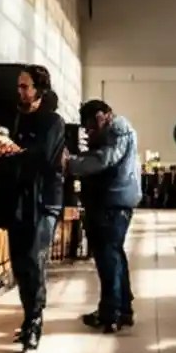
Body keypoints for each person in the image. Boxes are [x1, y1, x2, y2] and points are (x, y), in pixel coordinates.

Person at [2, 65, 66, 353]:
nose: (20, 91)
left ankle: (35, 323)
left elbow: (42, 156)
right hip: (18, 201)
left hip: (44, 201)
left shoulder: (53, 122)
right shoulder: (16, 120)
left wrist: (12, 153)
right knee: (19, 262)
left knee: (33, 260)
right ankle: (29, 318)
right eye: (19, 86)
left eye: (25, 86)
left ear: (39, 90)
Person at [64, 100, 142, 333]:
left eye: (90, 125)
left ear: (102, 115)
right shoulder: (116, 130)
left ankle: (111, 313)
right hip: (113, 201)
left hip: (111, 202)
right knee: (115, 256)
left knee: (108, 258)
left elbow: (104, 159)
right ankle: (122, 309)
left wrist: (70, 163)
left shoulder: (118, 129)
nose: (89, 131)